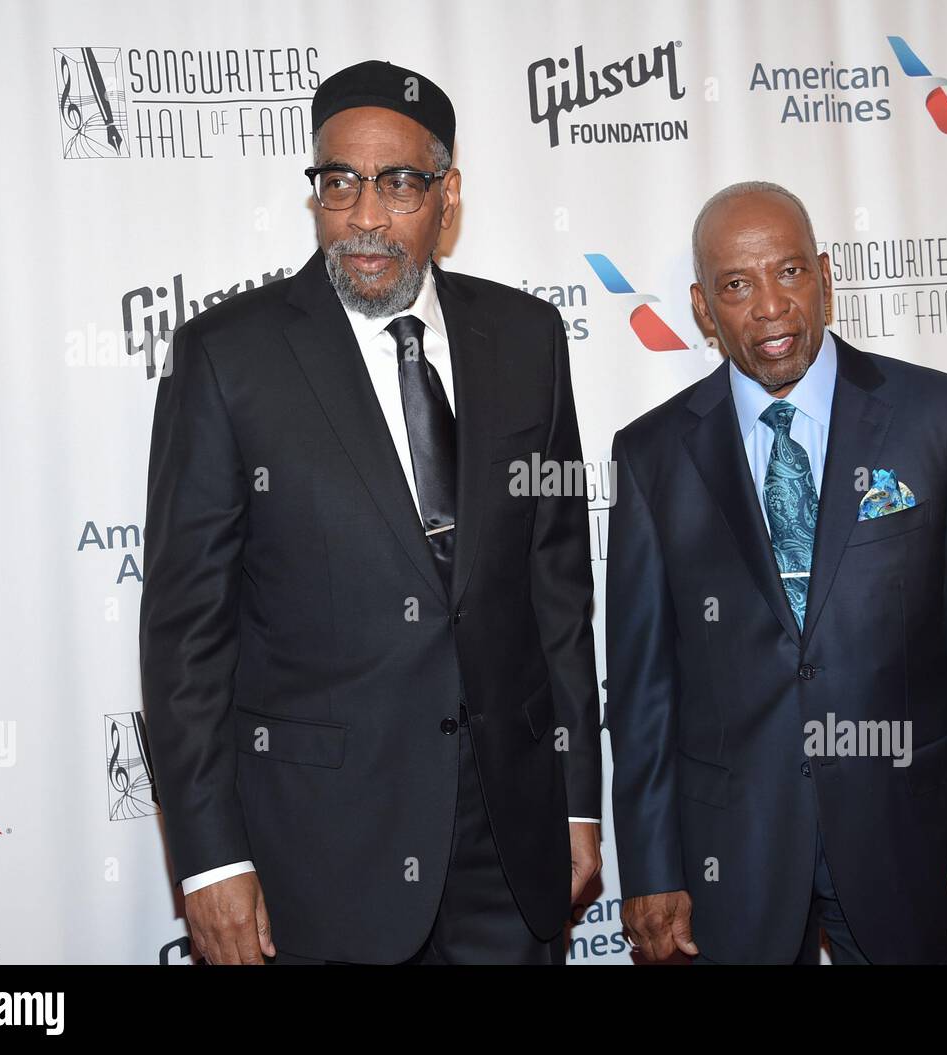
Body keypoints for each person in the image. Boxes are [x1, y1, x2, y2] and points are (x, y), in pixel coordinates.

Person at [139, 59, 602, 965]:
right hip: (317, 857)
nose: (365, 215)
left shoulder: (527, 340)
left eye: (399, 183)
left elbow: (560, 593)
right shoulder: (226, 358)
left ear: (446, 195)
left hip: (508, 849)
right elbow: (185, 637)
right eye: (339, 181)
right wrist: (208, 862)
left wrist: (577, 797)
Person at [606, 181, 947, 964]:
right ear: (704, 309)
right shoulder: (651, 456)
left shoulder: (937, 417)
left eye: (791, 272)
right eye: (737, 285)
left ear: (827, 278)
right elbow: (641, 692)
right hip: (729, 854)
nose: (771, 306)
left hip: (910, 837)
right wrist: (651, 864)